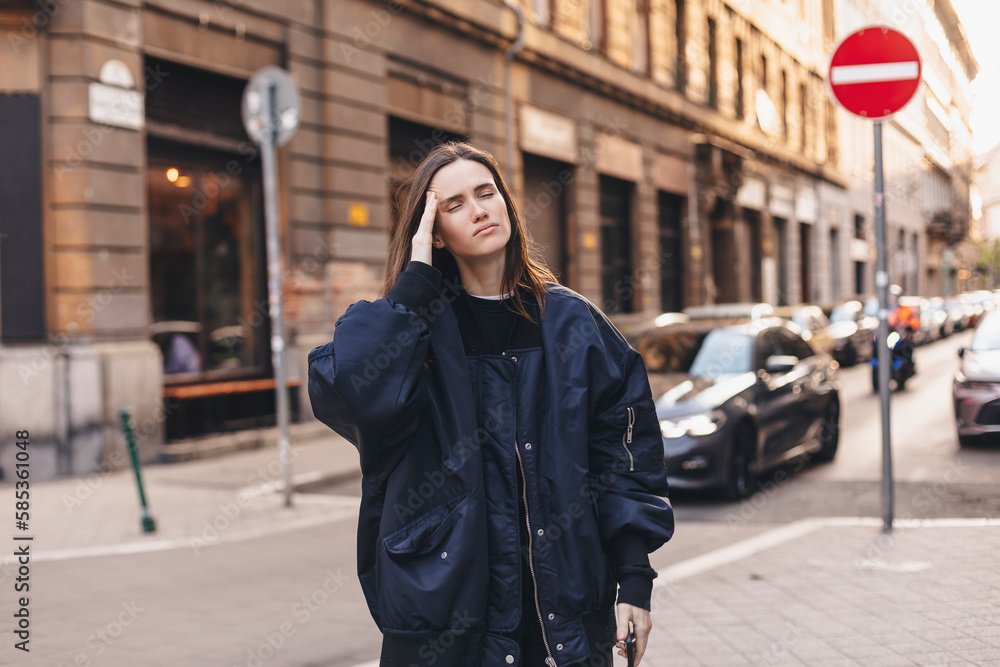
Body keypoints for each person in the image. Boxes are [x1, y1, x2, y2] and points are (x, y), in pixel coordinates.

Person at [307, 141, 674, 666]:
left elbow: (623, 458)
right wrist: (414, 286)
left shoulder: (572, 324)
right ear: (432, 229)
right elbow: (350, 392)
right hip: (446, 622)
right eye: (454, 205)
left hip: (563, 622)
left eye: (487, 192)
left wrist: (635, 580)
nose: (479, 209)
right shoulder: (410, 332)